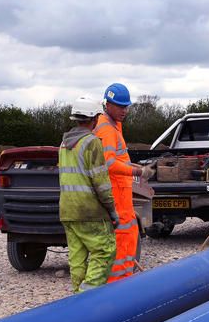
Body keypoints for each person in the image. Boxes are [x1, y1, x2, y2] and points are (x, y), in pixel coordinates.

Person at [94, 82, 154, 282]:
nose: (124, 111)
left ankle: (125, 279)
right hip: (116, 195)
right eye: (120, 106)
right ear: (107, 104)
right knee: (121, 239)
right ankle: (117, 284)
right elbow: (109, 163)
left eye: (126, 106)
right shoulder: (106, 129)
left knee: (130, 235)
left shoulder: (113, 126)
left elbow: (118, 160)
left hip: (121, 195)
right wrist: (138, 171)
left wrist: (136, 166)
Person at [58, 96, 119, 292]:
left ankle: (77, 298)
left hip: (68, 210)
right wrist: (112, 210)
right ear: (94, 119)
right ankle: (87, 295)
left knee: (77, 258)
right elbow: (101, 183)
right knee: (105, 251)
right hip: (89, 211)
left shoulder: (64, 144)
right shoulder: (92, 142)